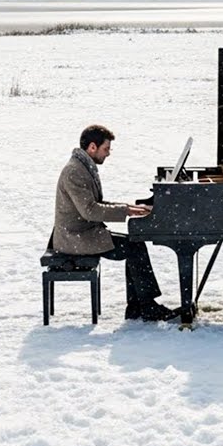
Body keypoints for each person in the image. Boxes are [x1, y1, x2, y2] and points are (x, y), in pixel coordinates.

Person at [52, 124, 178, 322]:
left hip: (84, 233)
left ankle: (138, 307)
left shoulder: (82, 166)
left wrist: (129, 207)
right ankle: (147, 307)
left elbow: (96, 204)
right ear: (92, 147)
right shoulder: (74, 172)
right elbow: (90, 210)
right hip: (75, 238)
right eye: (106, 149)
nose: (108, 153)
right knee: (134, 248)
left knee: (134, 245)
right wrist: (126, 211)